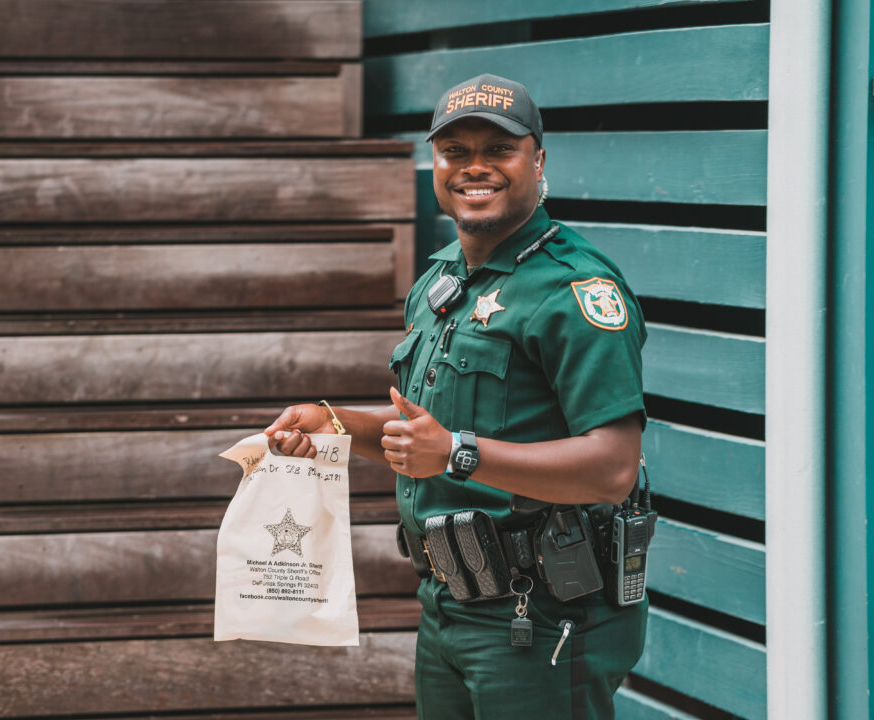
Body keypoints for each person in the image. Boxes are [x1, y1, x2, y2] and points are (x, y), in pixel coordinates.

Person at [265, 73, 648, 720]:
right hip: (447, 605)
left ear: (539, 160)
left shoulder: (575, 294)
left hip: (542, 612)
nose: (475, 168)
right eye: (455, 151)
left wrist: (457, 455)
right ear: (435, 163)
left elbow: (612, 468)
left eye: (499, 150)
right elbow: (428, 434)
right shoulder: (443, 280)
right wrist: (335, 422)